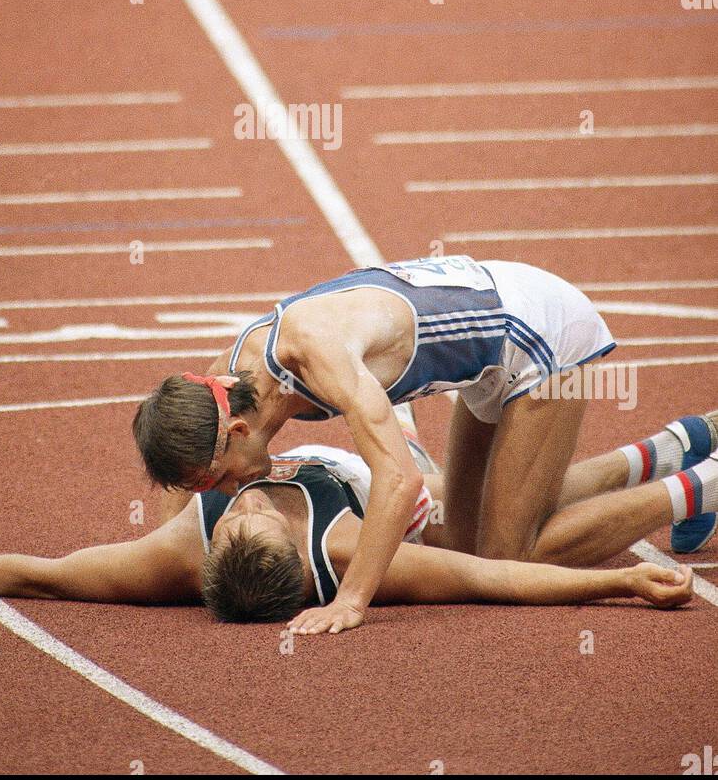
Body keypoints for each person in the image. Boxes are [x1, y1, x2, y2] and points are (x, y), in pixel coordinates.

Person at [131, 253, 634, 633]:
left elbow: (401, 481)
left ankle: (700, 483)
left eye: (219, 480)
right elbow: (185, 474)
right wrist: (184, 552)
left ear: (239, 434)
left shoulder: (312, 353)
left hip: (540, 334)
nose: (226, 493)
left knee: (506, 557)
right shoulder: (222, 387)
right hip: (484, 355)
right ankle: (665, 452)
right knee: (463, 538)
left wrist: (350, 601)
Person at [0, 403, 713, 621]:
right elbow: (491, 578)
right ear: (286, 542)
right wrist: (623, 588)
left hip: (346, 460)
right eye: (251, 520)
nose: (239, 510)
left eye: (227, 519)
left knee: (508, 506)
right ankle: (688, 485)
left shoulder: (178, 554)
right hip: (389, 494)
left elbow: (46, 577)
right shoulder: (344, 550)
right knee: (496, 530)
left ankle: (663, 453)